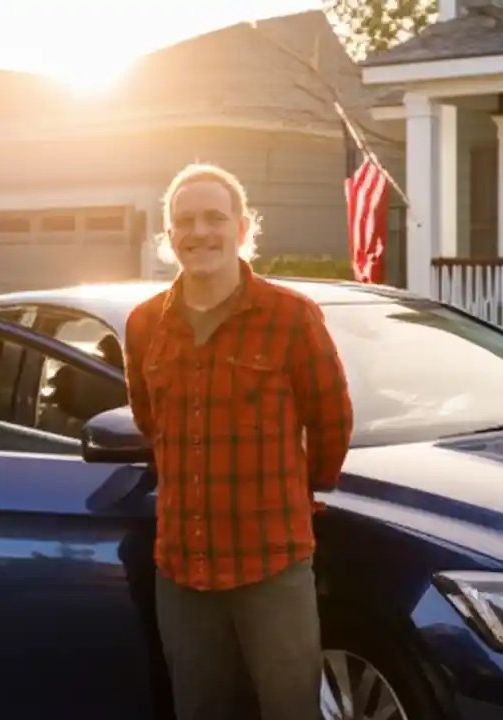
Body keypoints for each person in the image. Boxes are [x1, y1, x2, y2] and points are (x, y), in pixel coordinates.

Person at [122, 163, 354, 720]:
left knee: (288, 710)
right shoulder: (143, 324)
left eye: (214, 218)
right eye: (184, 221)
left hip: (271, 566)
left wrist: (294, 497)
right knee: (198, 710)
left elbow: (331, 425)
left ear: (243, 226)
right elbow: (149, 420)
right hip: (182, 570)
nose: (199, 232)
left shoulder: (292, 318)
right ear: (169, 235)